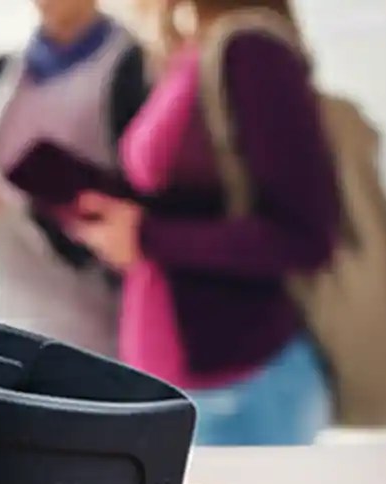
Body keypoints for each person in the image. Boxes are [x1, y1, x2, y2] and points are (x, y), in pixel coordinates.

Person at [70, 0, 340, 445]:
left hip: (240, 391)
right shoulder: (192, 47)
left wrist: (148, 237)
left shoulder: (252, 50)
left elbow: (305, 237)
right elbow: (192, 197)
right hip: (171, 385)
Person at [0, 0, 149, 357]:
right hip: (4, 320)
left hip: (96, 338)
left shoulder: (133, 73)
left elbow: (143, 215)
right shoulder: (1, 74)